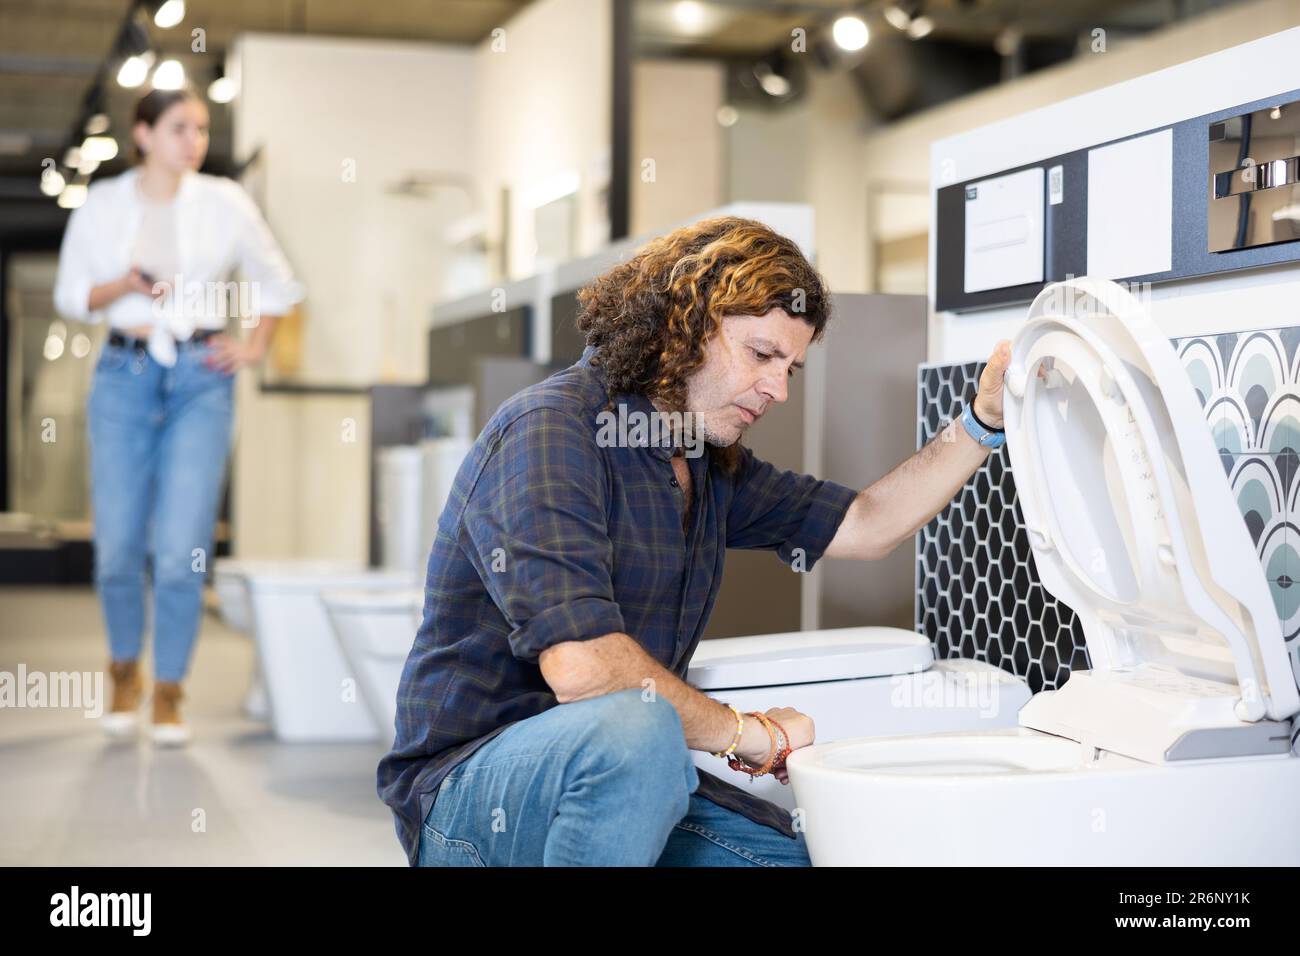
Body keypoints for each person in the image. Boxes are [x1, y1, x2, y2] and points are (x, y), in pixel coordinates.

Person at [377, 215, 1010, 866]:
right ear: (682, 324)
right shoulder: (553, 429)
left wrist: (984, 420)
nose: (778, 389)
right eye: (762, 355)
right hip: (470, 796)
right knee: (638, 726)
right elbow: (585, 670)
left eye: (790, 367)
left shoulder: (706, 462)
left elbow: (869, 522)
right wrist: (745, 735)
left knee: (806, 856)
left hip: (626, 780)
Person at [53, 86, 303, 745]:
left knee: (182, 549)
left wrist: (252, 346)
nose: (192, 140)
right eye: (177, 128)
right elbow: (73, 295)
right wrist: (128, 283)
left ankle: (168, 691)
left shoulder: (224, 200)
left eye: (199, 128)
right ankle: (122, 672)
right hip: (122, 376)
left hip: (200, 380)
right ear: (142, 135)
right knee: (117, 549)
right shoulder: (103, 206)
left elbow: (279, 281)